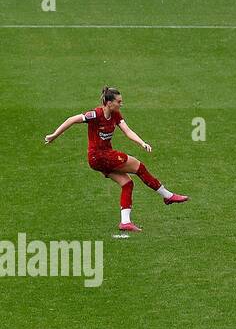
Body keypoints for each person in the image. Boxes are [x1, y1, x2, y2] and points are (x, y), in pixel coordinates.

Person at [44, 87, 189, 233]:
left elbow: (127, 131)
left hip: (103, 157)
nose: (121, 104)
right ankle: (167, 196)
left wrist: (142, 143)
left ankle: (125, 222)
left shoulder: (115, 114)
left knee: (127, 183)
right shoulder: (95, 114)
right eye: (118, 101)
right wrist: (54, 135)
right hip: (99, 156)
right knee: (139, 167)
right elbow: (72, 119)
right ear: (108, 102)